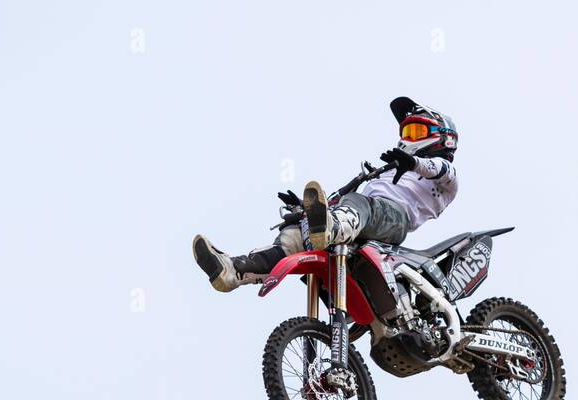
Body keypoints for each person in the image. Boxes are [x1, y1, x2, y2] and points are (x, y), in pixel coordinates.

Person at [192, 96, 459, 292]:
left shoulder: (446, 178)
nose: (408, 137)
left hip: (394, 220)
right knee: (297, 233)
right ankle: (233, 271)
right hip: (365, 220)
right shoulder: (389, 170)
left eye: (416, 131)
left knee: (358, 203)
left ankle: (331, 228)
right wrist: (306, 210)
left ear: (443, 139)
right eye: (406, 132)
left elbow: (441, 169)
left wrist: (412, 163)